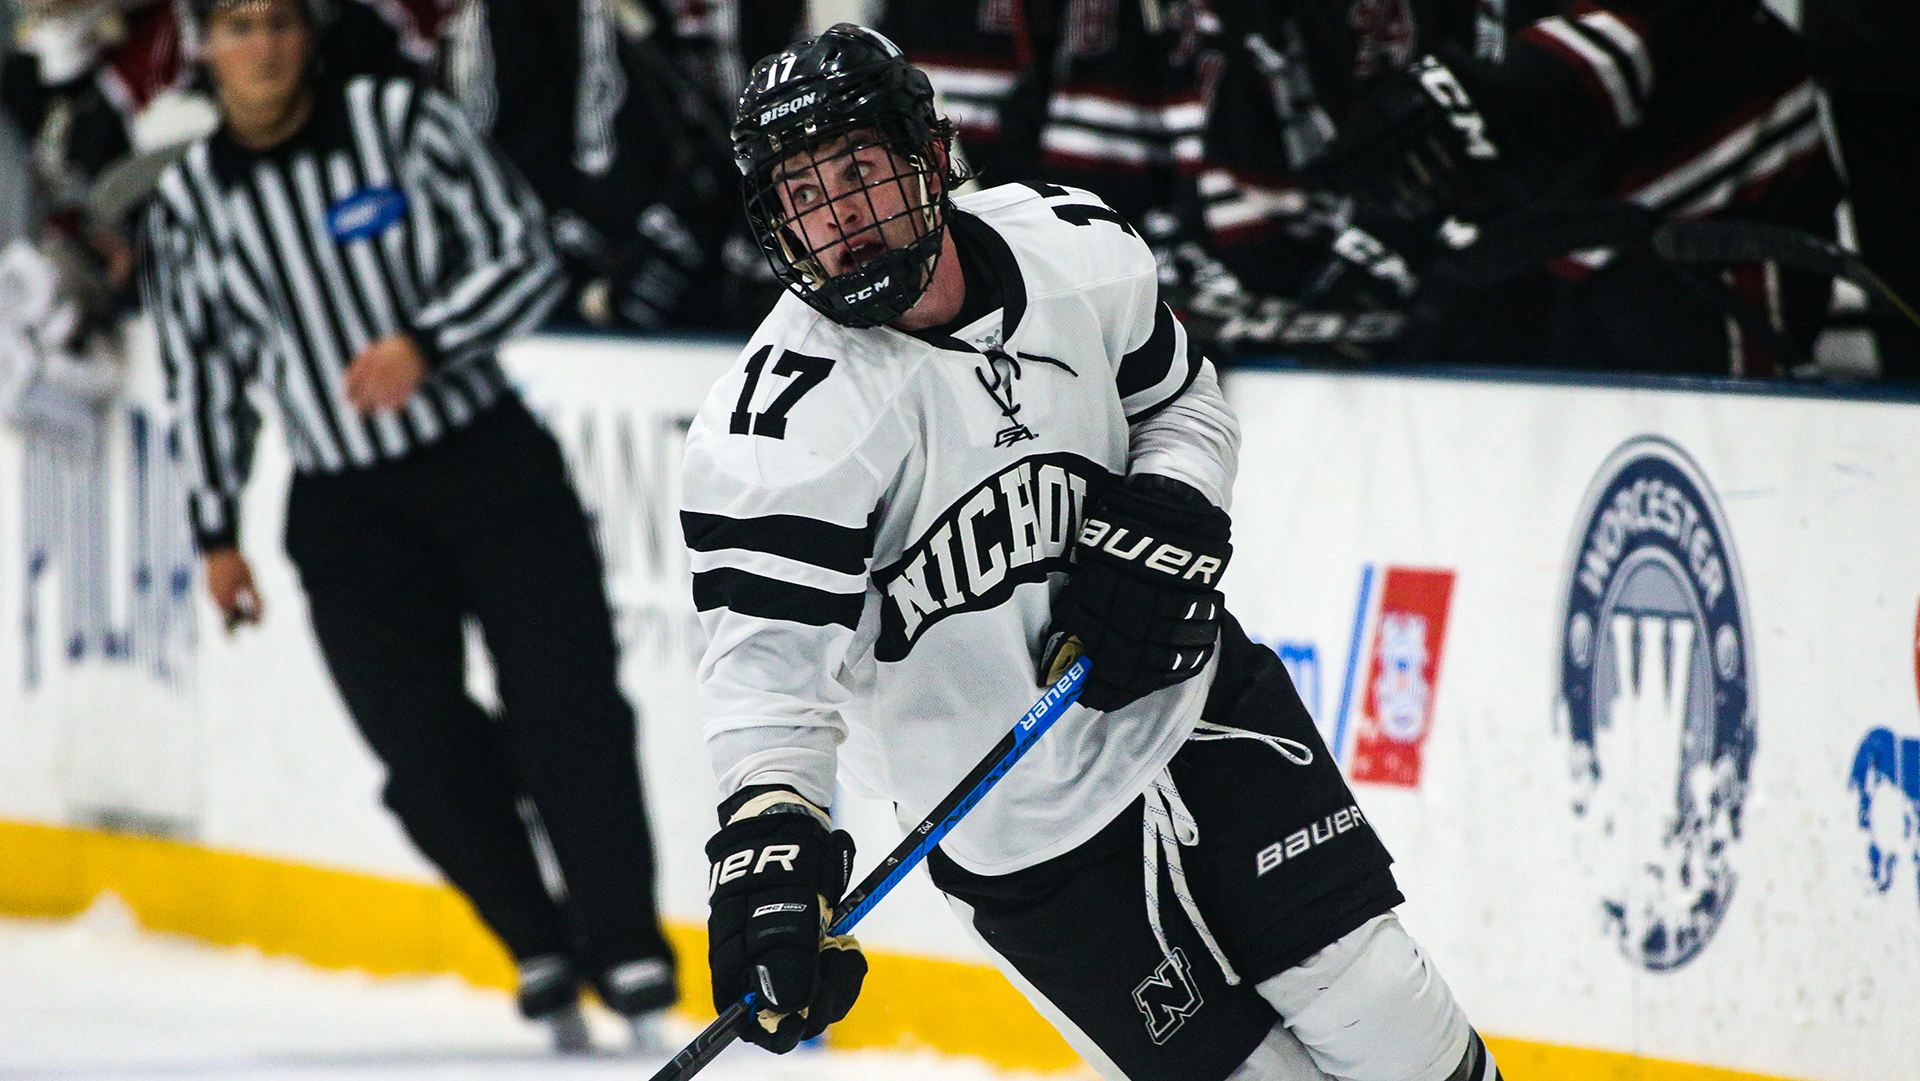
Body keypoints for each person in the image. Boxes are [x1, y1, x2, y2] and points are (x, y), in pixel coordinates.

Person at [681, 24, 1503, 1081]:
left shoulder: (1073, 247)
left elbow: (1182, 403)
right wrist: (771, 850)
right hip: (1022, 838)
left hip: (1193, 705)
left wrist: (1169, 512)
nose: (836, 215)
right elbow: (765, 680)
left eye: (856, 170)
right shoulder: (780, 427)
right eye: (801, 192)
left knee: (1387, 1010)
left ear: (930, 158)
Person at [139, 0, 674, 1051]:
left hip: (490, 464)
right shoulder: (191, 200)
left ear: (308, 33)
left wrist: (426, 343)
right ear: (205, 46)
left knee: (567, 709)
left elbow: (523, 254)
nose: (264, 46)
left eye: (280, 22)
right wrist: (216, 532)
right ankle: (537, 939)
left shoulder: (398, 121)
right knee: (421, 752)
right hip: (346, 510)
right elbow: (204, 376)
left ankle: (623, 943)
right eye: (239, 26)